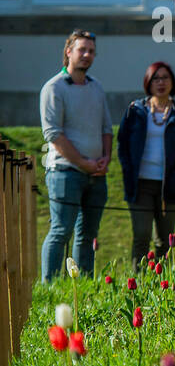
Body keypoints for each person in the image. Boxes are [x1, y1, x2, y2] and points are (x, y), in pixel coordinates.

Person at [39, 30, 114, 282]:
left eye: (91, 51)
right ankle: (49, 287)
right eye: (82, 49)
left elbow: (106, 128)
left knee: (88, 235)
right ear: (68, 51)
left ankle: (83, 287)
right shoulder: (54, 88)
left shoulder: (96, 87)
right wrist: (83, 163)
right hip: (65, 173)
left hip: (96, 174)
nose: (87, 55)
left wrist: (105, 159)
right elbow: (53, 134)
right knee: (60, 231)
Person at [117, 61, 175, 266]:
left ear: (172, 82)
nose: (161, 82)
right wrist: (128, 171)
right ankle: (138, 284)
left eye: (165, 77)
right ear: (148, 82)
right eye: (156, 78)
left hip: (170, 186)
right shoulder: (135, 110)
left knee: (165, 240)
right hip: (140, 184)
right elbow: (123, 145)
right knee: (141, 235)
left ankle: (164, 286)